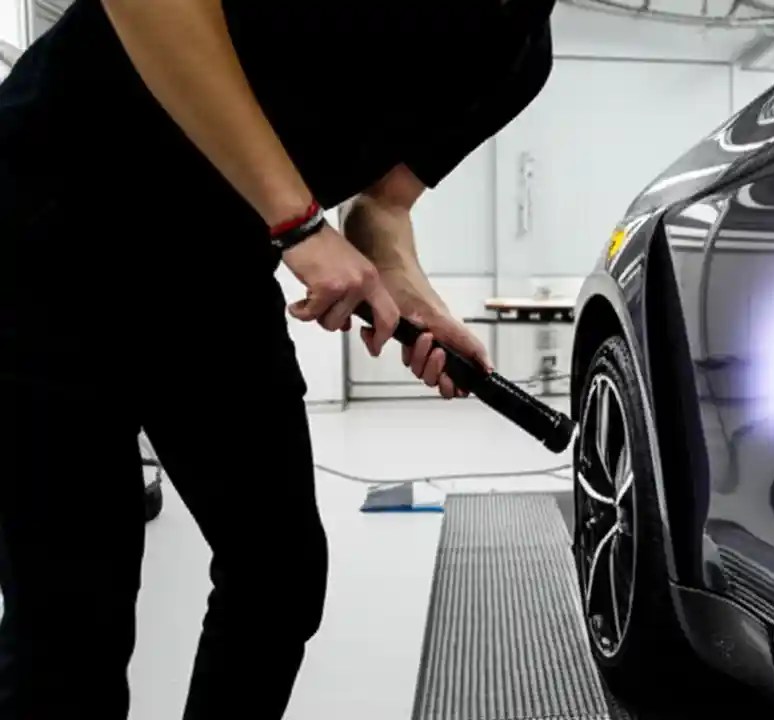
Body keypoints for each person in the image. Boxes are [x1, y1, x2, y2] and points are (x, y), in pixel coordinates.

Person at [0, 0, 554, 717]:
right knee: (71, 617)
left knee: (280, 575)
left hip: (213, 260)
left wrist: (413, 295)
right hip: (50, 213)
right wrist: (295, 220)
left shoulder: (517, 56)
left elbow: (382, 210)